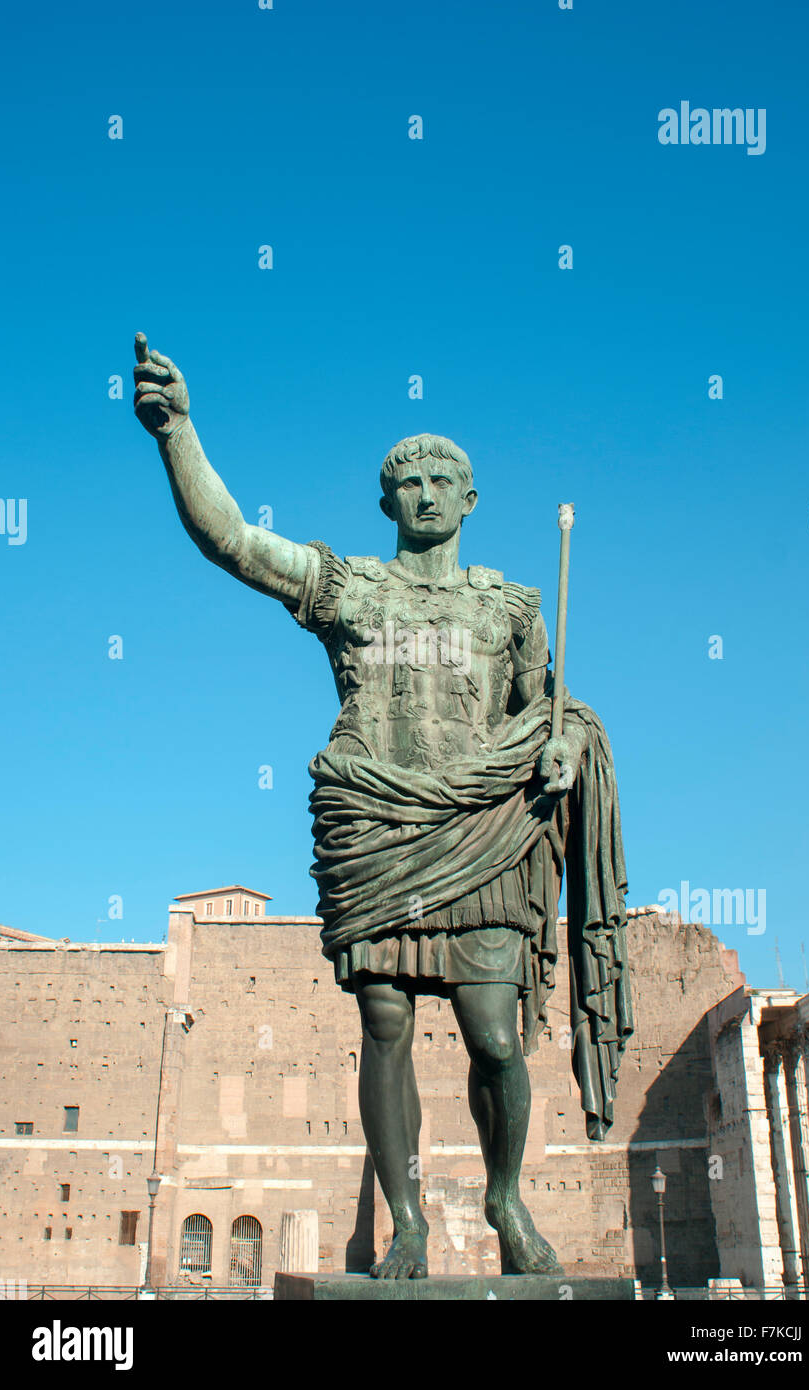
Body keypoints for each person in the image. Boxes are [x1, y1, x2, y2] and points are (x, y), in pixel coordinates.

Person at [133, 332, 632, 1279]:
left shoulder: (512, 606)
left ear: (470, 500)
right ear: (386, 501)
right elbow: (233, 541)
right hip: (376, 833)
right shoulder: (351, 590)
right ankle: (405, 1216)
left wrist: (565, 748)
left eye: (445, 480)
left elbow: (550, 713)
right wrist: (178, 435)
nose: (428, 493)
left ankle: (503, 1196)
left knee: (493, 1032)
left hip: (481, 837)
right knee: (387, 1025)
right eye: (410, 482)